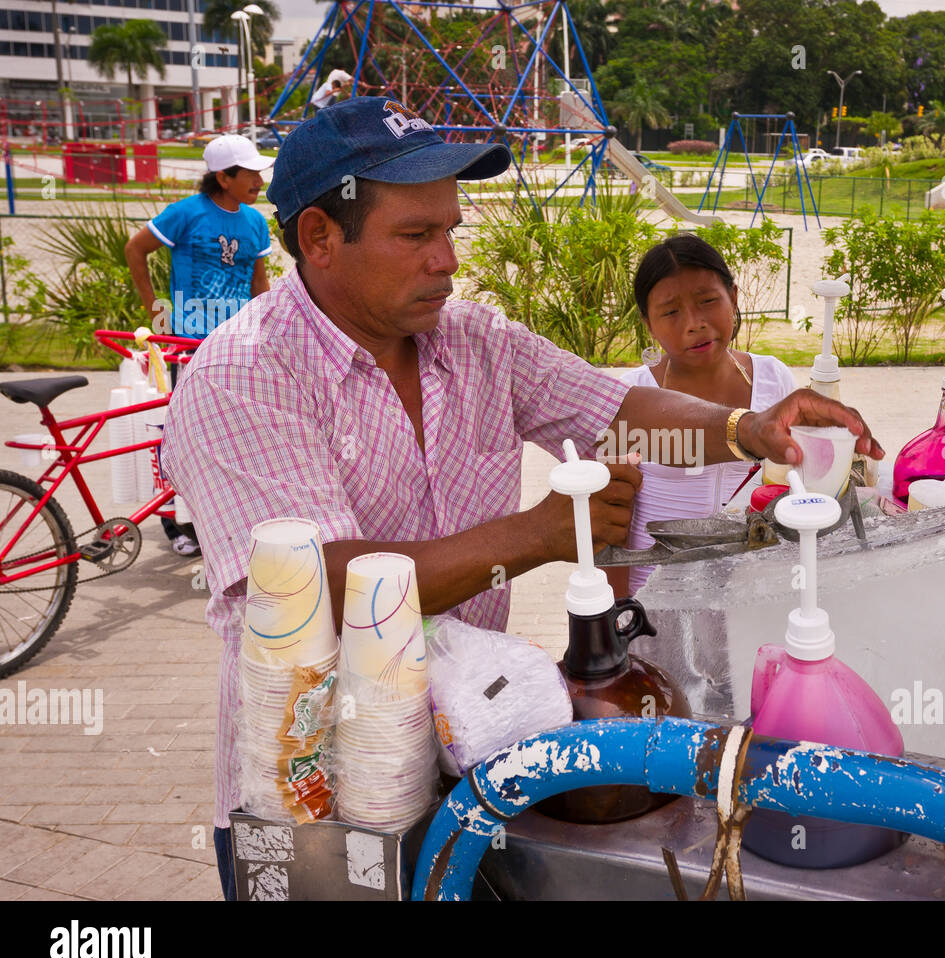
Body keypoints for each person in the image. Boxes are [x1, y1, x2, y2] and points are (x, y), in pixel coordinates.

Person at [158, 96, 884, 901]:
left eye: (450, 230)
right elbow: (320, 585)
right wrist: (540, 534)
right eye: (415, 236)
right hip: (318, 792)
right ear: (321, 237)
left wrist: (751, 428)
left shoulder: (472, 340)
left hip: (467, 745)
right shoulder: (245, 375)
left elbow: (622, 417)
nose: (448, 260)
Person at [609, 235, 798, 597]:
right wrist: (619, 619)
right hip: (656, 601)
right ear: (648, 323)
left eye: (708, 301)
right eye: (670, 311)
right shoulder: (628, 399)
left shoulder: (774, 379)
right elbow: (609, 526)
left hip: (755, 593)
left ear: (734, 298)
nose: (694, 323)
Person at [125, 133, 275, 557]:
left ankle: (224, 519)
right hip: (189, 344)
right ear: (223, 177)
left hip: (236, 345)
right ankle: (174, 521)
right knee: (179, 432)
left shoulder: (254, 221)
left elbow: (259, 282)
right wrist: (155, 311)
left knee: (236, 433)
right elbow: (135, 249)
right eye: (250, 173)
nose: (259, 180)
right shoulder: (186, 214)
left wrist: (262, 332)